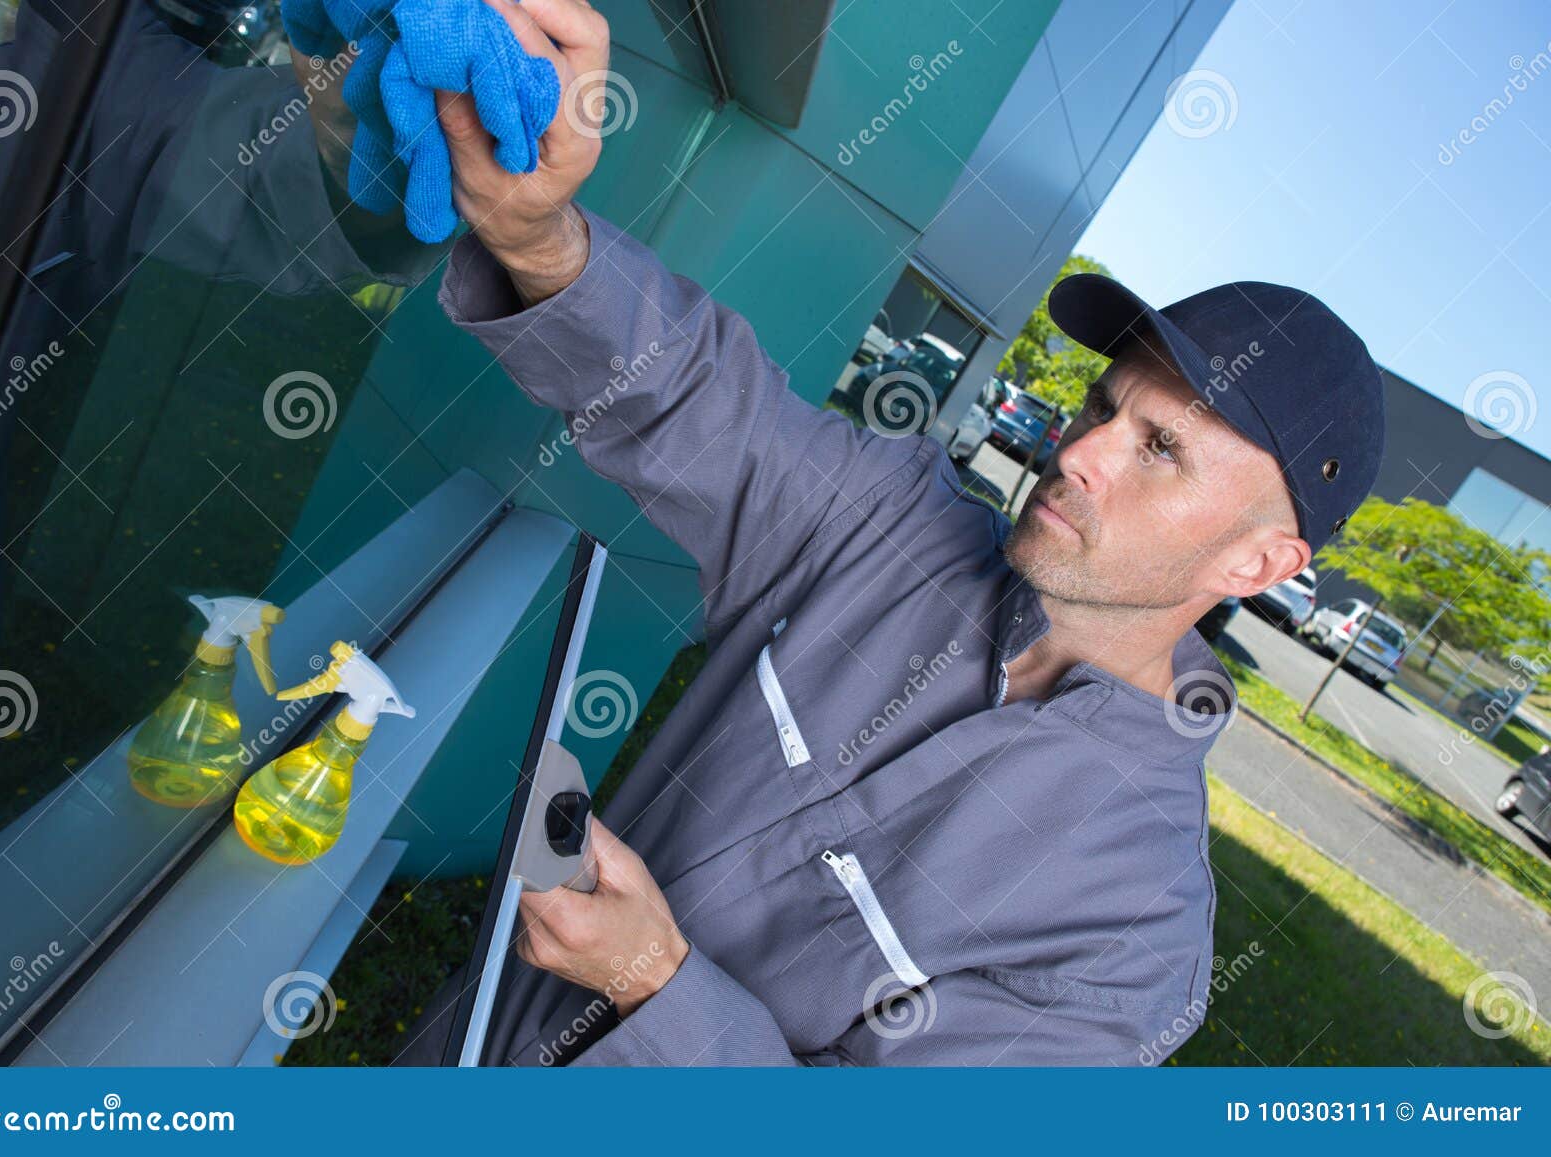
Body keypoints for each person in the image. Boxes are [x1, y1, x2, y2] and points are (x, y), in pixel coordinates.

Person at [430, 0, 1386, 1066]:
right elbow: (694, 398)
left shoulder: (1132, 941)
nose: (1079, 451)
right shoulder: (891, 524)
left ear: (1258, 563)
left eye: (1159, 449)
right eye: (1100, 408)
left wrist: (654, 985)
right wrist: (535, 233)